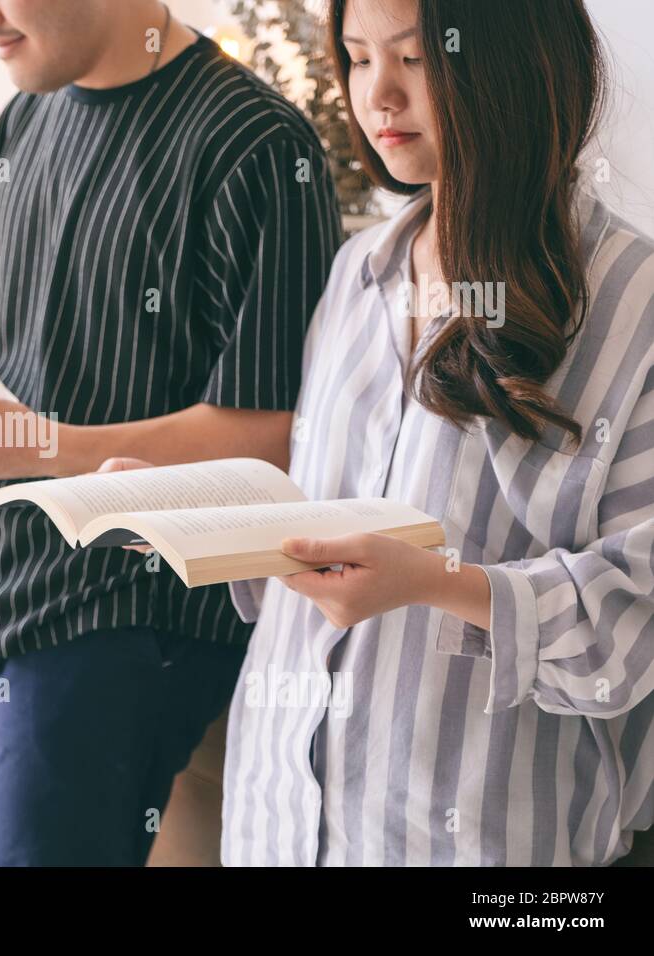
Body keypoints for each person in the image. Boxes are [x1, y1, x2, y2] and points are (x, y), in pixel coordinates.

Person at [0, 0, 342, 866]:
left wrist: (39, 447)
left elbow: (268, 438)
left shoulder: (257, 144)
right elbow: (13, 341)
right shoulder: (23, 119)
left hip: (122, 618)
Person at [214, 0, 654, 865]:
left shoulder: (631, 300)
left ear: (513, 64)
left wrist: (436, 583)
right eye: (357, 57)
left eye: (415, 60)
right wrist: (202, 520)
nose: (377, 94)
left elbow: (633, 624)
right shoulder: (358, 272)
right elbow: (315, 535)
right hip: (276, 825)